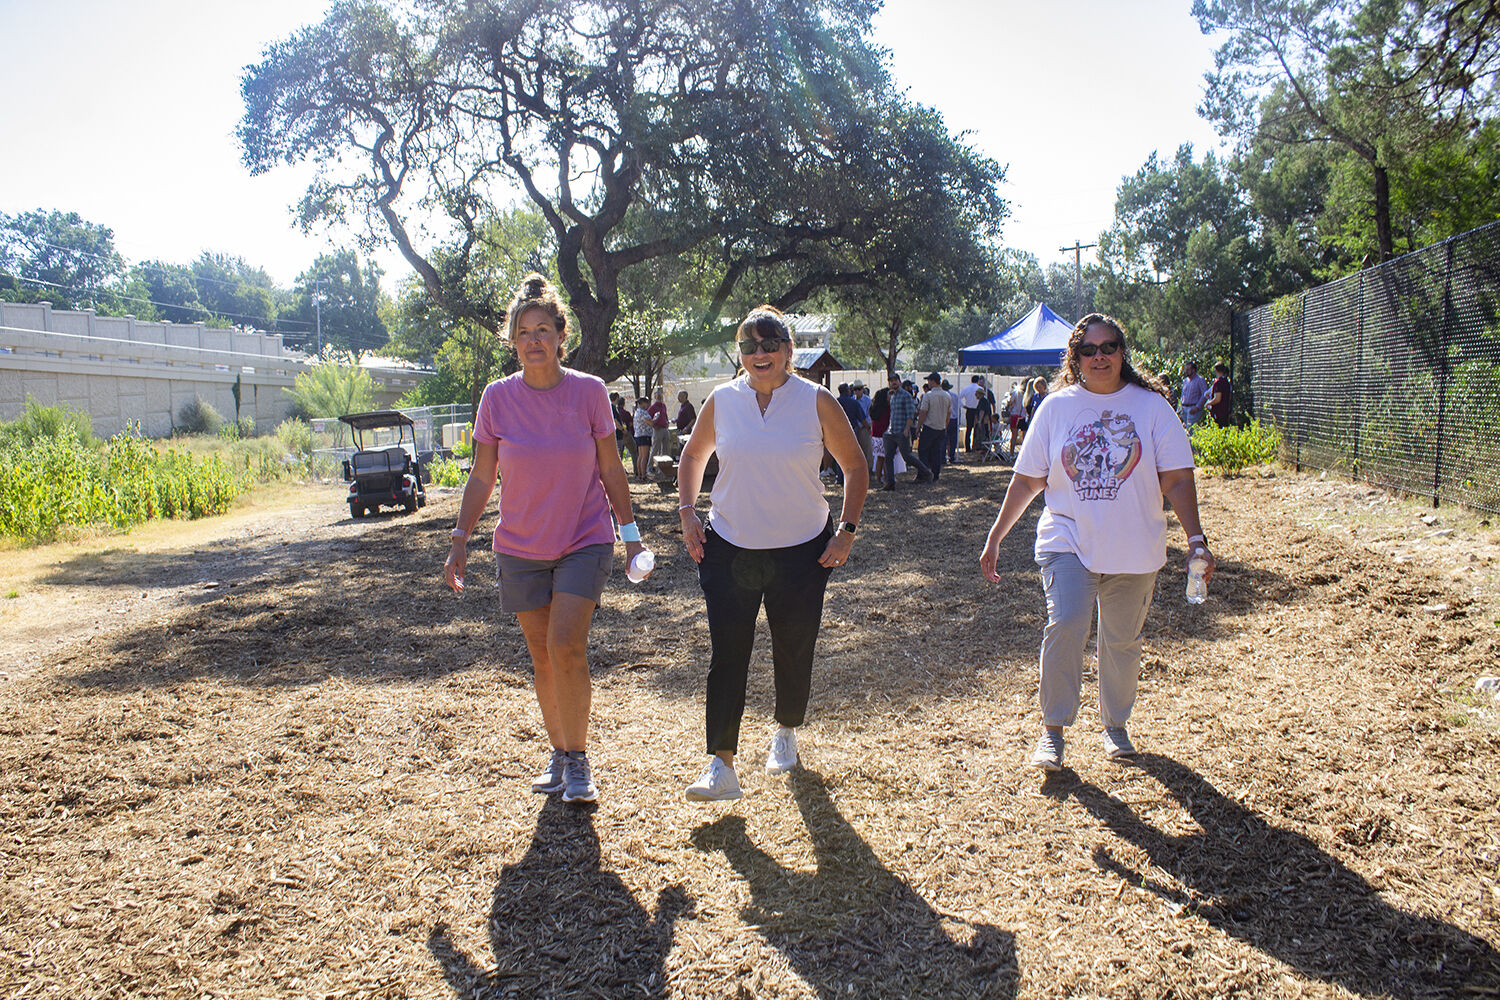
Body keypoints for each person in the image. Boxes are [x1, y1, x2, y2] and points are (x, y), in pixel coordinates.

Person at [444, 273, 648, 804]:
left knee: (565, 645)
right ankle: (559, 754)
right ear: (512, 342)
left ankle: (579, 763)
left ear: (561, 334)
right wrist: (461, 535)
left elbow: (611, 466)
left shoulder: (588, 392)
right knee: (540, 655)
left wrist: (630, 535)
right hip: (519, 545)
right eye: (522, 332)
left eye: (542, 330)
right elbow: (483, 476)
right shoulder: (497, 399)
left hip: (584, 537)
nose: (533, 340)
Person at [978, 313, 1213, 772]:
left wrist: (1196, 538)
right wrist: (997, 534)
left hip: (1135, 547)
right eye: (1089, 349)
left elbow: (1178, 480)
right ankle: (1052, 732)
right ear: (1076, 358)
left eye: (1109, 347)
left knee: (1122, 640)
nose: (1099, 356)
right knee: (1066, 625)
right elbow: (1028, 481)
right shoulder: (1056, 407)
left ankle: (1115, 725)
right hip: (1067, 538)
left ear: (1123, 353)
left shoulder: (1151, 408)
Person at [676, 305, 868, 801]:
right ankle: (721, 764)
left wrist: (846, 530)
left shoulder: (816, 401)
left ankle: (785, 733)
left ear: (788, 351)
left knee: (793, 645)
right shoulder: (722, 400)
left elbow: (854, 465)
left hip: (802, 550)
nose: (759, 354)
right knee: (728, 653)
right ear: (739, 355)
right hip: (729, 547)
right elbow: (694, 456)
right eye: (748, 346)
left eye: (769, 344)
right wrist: (687, 512)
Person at [881, 372, 932, 491]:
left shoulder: (905, 395)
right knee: (888, 457)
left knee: (907, 456)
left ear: (899, 381)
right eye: (891, 381)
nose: (893, 382)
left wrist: (907, 429)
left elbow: (910, 414)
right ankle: (890, 482)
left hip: (901, 431)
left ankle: (926, 472)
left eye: (895, 380)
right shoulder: (892, 395)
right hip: (891, 432)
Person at [917, 372, 951, 482]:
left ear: (932, 381)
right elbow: (948, 414)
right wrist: (945, 426)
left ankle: (923, 474)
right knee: (937, 452)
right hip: (941, 428)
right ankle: (936, 474)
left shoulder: (928, 395)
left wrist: (918, 427)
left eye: (929, 381)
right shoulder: (947, 395)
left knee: (923, 451)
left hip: (929, 427)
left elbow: (923, 413)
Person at [851, 380, 874, 476]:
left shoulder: (868, 400)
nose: (857, 391)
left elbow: (870, 415)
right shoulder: (852, 400)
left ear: (862, 389)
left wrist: (865, 426)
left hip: (865, 428)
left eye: (859, 389)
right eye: (855, 389)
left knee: (867, 450)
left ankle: (869, 470)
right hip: (855, 428)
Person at [869, 386, 891, 484]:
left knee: (879, 458)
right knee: (887, 458)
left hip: (875, 436)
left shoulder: (873, 408)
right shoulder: (887, 407)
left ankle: (878, 478)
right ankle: (887, 477)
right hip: (885, 435)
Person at [648, 389, 671, 476]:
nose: (659, 398)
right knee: (655, 449)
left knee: (665, 449)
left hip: (665, 429)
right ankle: (649, 467)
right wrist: (653, 426)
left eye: (660, 396)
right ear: (654, 397)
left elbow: (665, 415)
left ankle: (662, 469)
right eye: (657, 396)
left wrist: (667, 422)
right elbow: (648, 419)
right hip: (657, 430)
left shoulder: (663, 406)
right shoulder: (653, 407)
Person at [1179, 361, 1209, 428]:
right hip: (1184, 409)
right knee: (1185, 429)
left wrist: (1197, 407)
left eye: (1188, 369)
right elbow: (1182, 394)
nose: (1186, 371)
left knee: (1191, 430)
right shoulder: (1185, 381)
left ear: (1193, 370)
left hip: (1193, 408)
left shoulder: (1200, 380)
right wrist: (1181, 406)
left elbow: (1204, 395)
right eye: (1186, 369)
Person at [632, 397, 653, 482]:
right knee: (644, 456)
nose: (647, 405)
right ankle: (644, 475)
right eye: (646, 403)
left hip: (638, 435)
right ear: (642, 403)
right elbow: (651, 422)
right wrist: (656, 418)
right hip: (644, 435)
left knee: (640, 456)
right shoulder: (643, 412)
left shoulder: (636, 411)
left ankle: (640, 475)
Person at [961, 375, 984, 453]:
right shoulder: (980, 389)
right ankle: (976, 446)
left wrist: (963, 405)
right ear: (978, 381)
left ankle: (967, 448)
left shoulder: (966, 388)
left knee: (969, 428)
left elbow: (959, 397)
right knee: (977, 428)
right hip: (977, 410)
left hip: (969, 410)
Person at [1207, 362, 1232, 427]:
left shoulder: (1218, 383)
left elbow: (1217, 399)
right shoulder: (1226, 382)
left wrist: (1208, 403)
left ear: (1215, 370)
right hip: (1225, 411)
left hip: (1218, 413)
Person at [610, 392, 632, 462]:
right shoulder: (612, 408)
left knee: (620, 453)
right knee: (618, 454)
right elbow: (615, 421)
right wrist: (622, 429)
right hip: (617, 434)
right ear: (616, 398)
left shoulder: (615, 408)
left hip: (619, 434)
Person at [942, 379, 960, 463]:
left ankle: (942, 457)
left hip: (944, 419)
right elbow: (959, 408)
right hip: (954, 419)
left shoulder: (942, 396)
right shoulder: (955, 396)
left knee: (944, 439)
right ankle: (951, 456)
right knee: (953, 440)